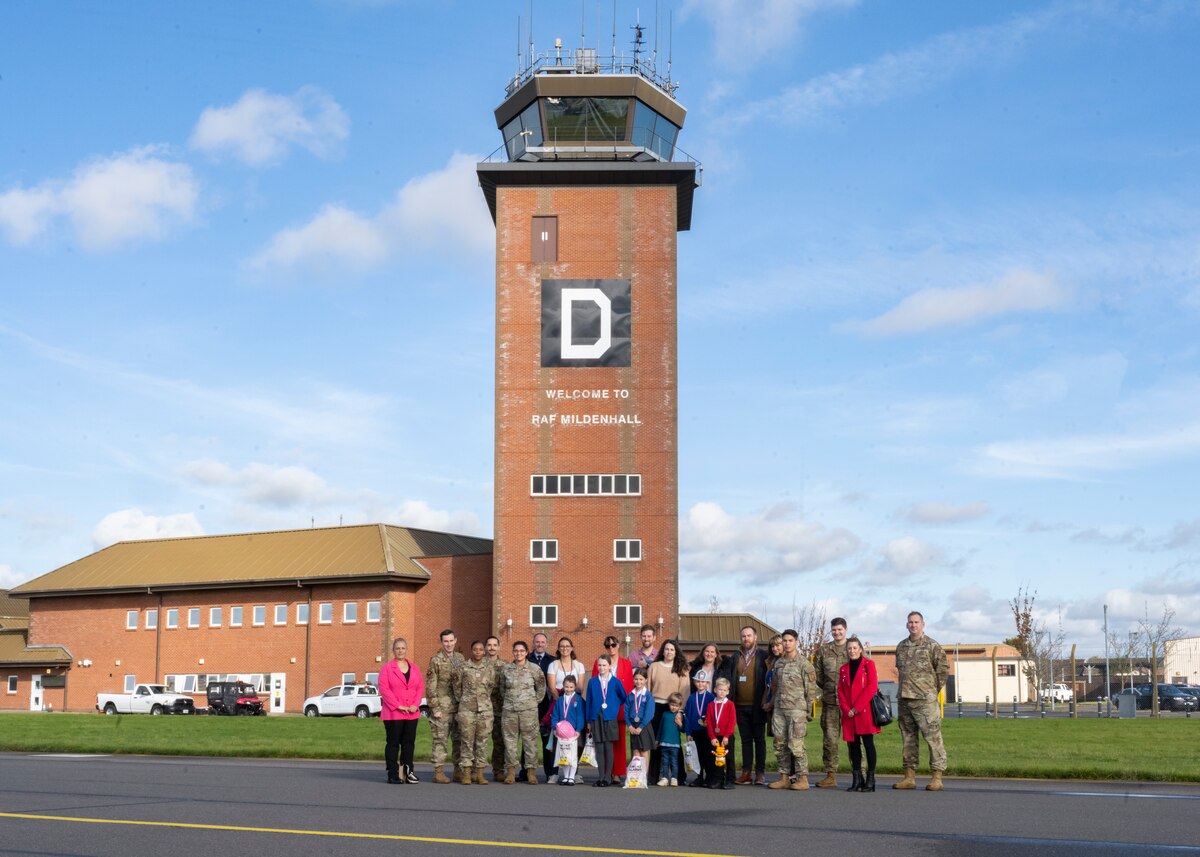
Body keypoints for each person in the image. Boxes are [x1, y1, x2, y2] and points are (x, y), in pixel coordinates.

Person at [894, 611, 950, 791]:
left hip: (925, 701)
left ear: (923, 624)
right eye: (910, 622)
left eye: (916, 622)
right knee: (908, 739)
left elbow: (943, 670)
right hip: (904, 699)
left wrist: (931, 691)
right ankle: (909, 777)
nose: (913, 625)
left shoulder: (932, 646)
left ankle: (937, 777)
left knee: (933, 738)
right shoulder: (901, 646)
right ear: (906, 625)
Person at [765, 629, 820, 791]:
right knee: (779, 744)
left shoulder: (804, 664)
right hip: (780, 710)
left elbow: (811, 691)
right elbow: (776, 687)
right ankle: (784, 777)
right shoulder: (779, 663)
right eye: (785, 641)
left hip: (797, 711)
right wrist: (772, 703)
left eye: (790, 640)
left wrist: (807, 712)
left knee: (796, 744)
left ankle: (802, 778)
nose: (787, 643)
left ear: (796, 642)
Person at [837, 636, 880, 792]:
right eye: (849, 648)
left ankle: (870, 779)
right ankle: (857, 779)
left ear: (860, 649)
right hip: (848, 714)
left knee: (868, 745)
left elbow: (871, 687)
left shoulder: (869, 665)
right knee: (853, 747)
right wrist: (846, 708)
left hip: (864, 712)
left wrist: (856, 708)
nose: (852, 651)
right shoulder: (843, 668)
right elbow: (840, 690)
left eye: (855, 648)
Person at [501, 640, 547, 784]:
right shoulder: (506, 669)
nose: (518, 653)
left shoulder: (534, 669)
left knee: (530, 742)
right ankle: (510, 772)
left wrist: (532, 702)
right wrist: (511, 701)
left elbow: (541, 689)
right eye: (516, 650)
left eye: (522, 651)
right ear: (513, 652)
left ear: (527, 652)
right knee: (510, 743)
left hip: (529, 712)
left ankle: (531, 772)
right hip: (510, 712)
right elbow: (502, 689)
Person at [812, 617, 850, 788]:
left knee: (855, 740)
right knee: (829, 740)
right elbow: (818, 675)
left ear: (846, 630)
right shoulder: (824, 650)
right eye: (834, 630)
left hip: (850, 704)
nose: (837, 632)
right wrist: (829, 688)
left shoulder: (853, 648)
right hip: (830, 702)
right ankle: (830, 775)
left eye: (840, 629)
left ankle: (860, 772)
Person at [379, 637, 424, 784]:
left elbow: (419, 688)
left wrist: (415, 705)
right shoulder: (387, 668)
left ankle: (407, 772)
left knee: (408, 744)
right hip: (393, 713)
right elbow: (384, 689)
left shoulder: (414, 668)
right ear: (393, 650)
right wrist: (398, 705)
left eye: (403, 648)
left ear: (406, 649)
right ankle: (393, 773)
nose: (400, 651)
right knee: (393, 743)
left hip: (411, 713)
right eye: (397, 648)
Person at [729, 626, 770, 785]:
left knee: (759, 740)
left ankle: (760, 773)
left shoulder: (763, 656)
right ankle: (746, 772)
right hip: (739, 705)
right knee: (745, 740)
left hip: (757, 705)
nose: (746, 638)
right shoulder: (735, 656)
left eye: (749, 636)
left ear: (755, 637)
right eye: (743, 636)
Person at [453, 640, 497, 785]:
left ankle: (479, 774)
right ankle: (466, 772)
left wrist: (482, 700)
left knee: (482, 742)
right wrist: (466, 701)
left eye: (480, 649)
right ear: (471, 651)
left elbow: (491, 687)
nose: (478, 652)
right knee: (466, 742)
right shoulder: (463, 667)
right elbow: (457, 688)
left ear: (484, 651)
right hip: (467, 710)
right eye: (475, 649)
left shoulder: (490, 668)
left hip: (485, 711)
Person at [648, 640, 691, 784]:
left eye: (672, 649)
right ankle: (654, 776)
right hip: (656, 707)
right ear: (662, 651)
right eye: (666, 649)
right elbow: (648, 689)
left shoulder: (682, 668)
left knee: (674, 743)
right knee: (657, 742)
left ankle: (678, 777)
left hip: (673, 708)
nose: (669, 652)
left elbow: (685, 691)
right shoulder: (654, 667)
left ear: (676, 652)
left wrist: (680, 711)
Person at [592, 635, 634, 781]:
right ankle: (606, 773)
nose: (611, 648)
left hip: (619, 709)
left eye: (613, 645)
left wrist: (627, 709)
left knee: (618, 743)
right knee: (604, 743)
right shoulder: (599, 663)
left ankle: (617, 772)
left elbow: (628, 688)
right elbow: (595, 690)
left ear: (618, 645)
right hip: (601, 712)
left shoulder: (626, 664)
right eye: (608, 645)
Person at [426, 628, 465, 784]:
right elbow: (430, 686)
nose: (448, 644)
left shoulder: (460, 658)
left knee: (459, 740)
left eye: (451, 641)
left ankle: (458, 771)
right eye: (445, 641)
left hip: (458, 707)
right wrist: (434, 708)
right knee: (440, 740)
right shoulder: (435, 660)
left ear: (455, 640)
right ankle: (439, 772)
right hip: (442, 708)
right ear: (441, 642)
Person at [547, 636, 588, 782]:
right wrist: (561, 702)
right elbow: (552, 687)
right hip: (558, 701)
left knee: (575, 741)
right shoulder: (554, 665)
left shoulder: (579, 665)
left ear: (572, 648)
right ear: (558, 648)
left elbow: (580, 687)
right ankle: (554, 773)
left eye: (567, 646)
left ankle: (573, 773)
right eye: (562, 646)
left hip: (574, 703)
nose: (565, 648)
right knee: (557, 740)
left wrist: (570, 701)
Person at [586, 654, 629, 786]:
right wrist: (589, 720)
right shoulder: (592, 682)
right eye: (599, 665)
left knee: (608, 747)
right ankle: (600, 777)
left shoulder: (616, 682)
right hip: (595, 716)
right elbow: (589, 701)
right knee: (599, 747)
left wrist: (614, 706)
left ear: (610, 666)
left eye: (604, 665)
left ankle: (608, 777)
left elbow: (623, 697)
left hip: (610, 717)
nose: (601, 667)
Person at [526, 632, 555, 782]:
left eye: (542, 642)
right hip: (528, 705)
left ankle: (550, 772)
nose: (540, 644)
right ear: (533, 643)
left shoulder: (552, 661)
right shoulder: (526, 659)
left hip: (546, 706)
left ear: (546, 644)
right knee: (528, 739)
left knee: (546, 740)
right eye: (537, 642)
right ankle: (526, 772)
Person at [550, 674, 586, 785]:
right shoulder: (560, 700)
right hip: (561, 733)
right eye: (566, 687)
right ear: (563, 686)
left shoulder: (578, 700)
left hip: (573, 733)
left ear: (575, 687)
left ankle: (572, 777)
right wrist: (554, 727)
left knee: (573, 755)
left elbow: (580, 716)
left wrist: (579, 730)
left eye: (571, 687)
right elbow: (555, 715)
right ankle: (566, 777)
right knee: (564, 755)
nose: (568, 689)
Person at [623, 667, 654, 784]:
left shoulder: (648, 695)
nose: (638, 682)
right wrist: (629, 726)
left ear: (646, 680)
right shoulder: (630, 695)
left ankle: (644, 776)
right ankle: (637, 775)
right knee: (635, 751)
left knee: (644, 751)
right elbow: (625, 711)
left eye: (641, 679)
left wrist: (641, 726)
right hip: (632, 726)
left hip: (644, 726)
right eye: (636, 679)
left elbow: (649, 712)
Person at [705, 677, 737, 789]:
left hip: (727, 737)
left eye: (724, 690)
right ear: (715, 690)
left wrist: (727, 736)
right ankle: (718, 779)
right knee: (717, 759)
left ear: (728, 691)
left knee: (729, 758)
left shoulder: (730, 705)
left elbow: (732, 721)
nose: (722, 692)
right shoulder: (710, 705)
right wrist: (712, 737)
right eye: (720, 689)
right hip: (715, 737)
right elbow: (708, 722)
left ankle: (730, 780)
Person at [685, 669, 715, 788]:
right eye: (698, 681)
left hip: (707, 731)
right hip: (695, 731)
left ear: (707, 683)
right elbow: (687, 716)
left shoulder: (711, 697)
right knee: (697, 755)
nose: (700, 684)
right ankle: (699, 777)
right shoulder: (691, 698)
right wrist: (688, 732)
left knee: (708, 754)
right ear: (694, 682)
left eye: (703, 682)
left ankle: (709, 777)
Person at [485, 635, 507, 781]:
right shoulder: (479, 664)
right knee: (479, 741)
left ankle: (498, 770)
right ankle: (476, 770)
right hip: (482, 709)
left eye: (494, 645)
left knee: (499, 742)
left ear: (498, 647)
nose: (492, 647)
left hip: (499, 709)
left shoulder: (506, 665)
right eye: (489, 645)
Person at [657, 691, 685, 786]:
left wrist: (680, 723)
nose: (673, 707)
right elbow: (660, 728)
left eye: (676, 706)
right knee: (664, 761)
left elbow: (683, 730)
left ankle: (674, 778)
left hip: (675, 744)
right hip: (664, 742)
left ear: (680, 706)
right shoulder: (665, 714)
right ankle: (665, 778)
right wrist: (657, 739)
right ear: (669, 704)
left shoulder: (680, 716)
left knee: (674, 762)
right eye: (672, 705)